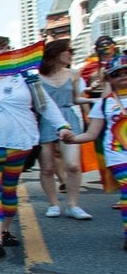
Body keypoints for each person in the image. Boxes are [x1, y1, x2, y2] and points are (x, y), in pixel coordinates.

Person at [0, 36, 72, 258]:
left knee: (8, 191)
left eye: (7, 48)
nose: (5, 51)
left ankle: (3, 232)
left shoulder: (26, 76)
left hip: (18, 145)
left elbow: (45, 104)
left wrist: (62, 126)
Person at [70, 52, 127, 250]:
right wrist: (72, 138)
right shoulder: (104, 103)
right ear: (109, 78)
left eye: (126, 71)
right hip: (118, 155)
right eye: (117, 73)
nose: (123, 76)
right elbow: (92, 133)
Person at [37, 39, 91, 219]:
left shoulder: (73, 74)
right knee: (47, 167)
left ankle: (73, 204)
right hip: (45, 119)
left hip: (69, 118)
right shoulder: (36, 75)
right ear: (56, 53)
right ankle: (53, 204)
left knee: (73, 165)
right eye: (69, 50)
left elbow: (77, 98)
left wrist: (94, 103)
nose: (71, 54)